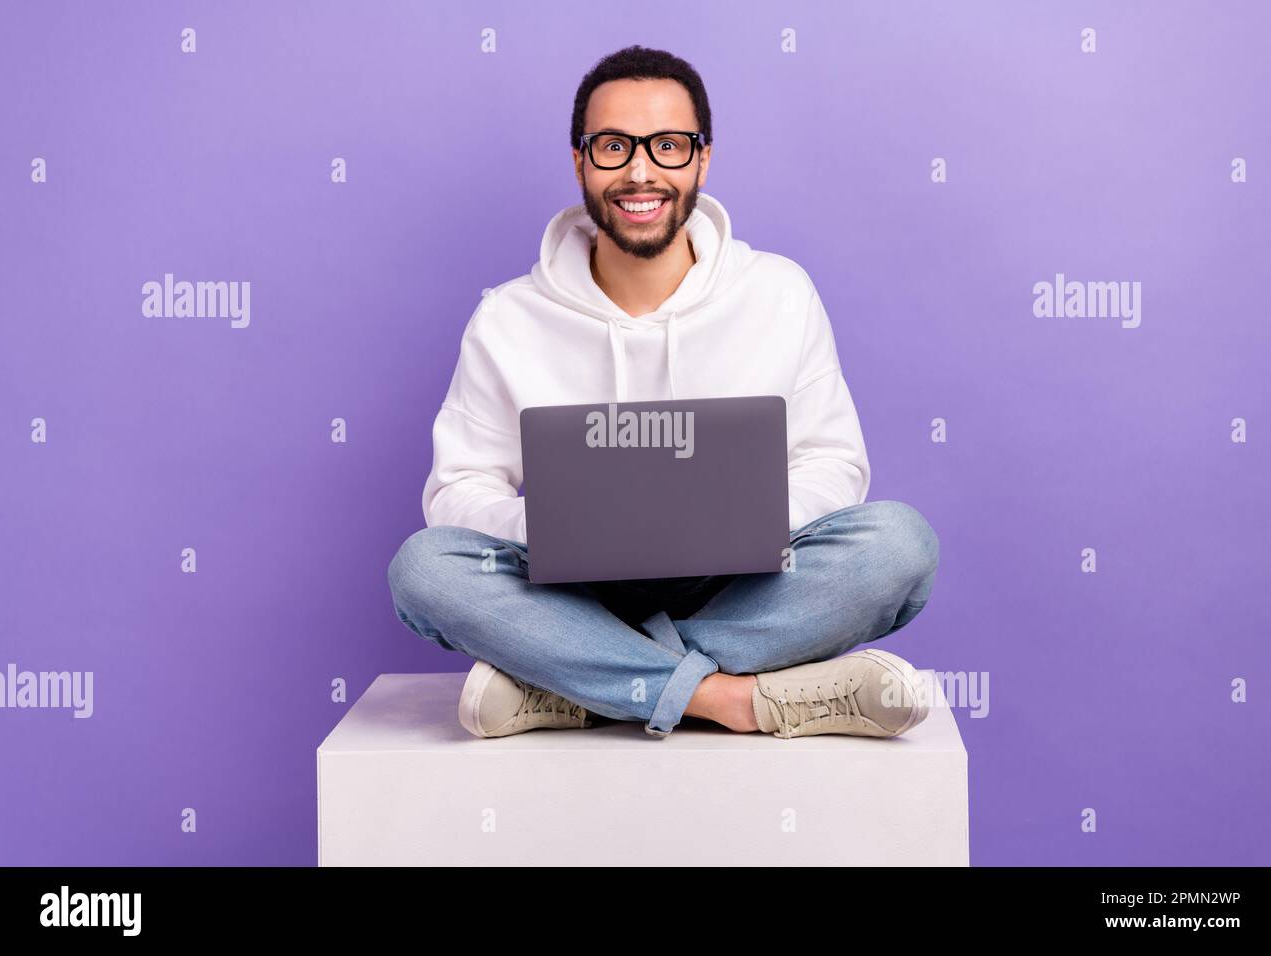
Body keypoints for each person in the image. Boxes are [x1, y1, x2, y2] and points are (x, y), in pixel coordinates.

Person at [388, 45, 939, 740]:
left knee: (899, 545)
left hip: (739, 585)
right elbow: (457, 489)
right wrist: (556, 531)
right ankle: (729, 699)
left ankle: (582, 687)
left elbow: (834, 462)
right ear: (580, 160)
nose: (641, 171)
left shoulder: (778, 292)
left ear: (702, 160)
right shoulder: (506, 317)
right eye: (613, 146)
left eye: (668, 146)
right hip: (570, 596)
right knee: (424, 571)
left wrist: (742, 523)